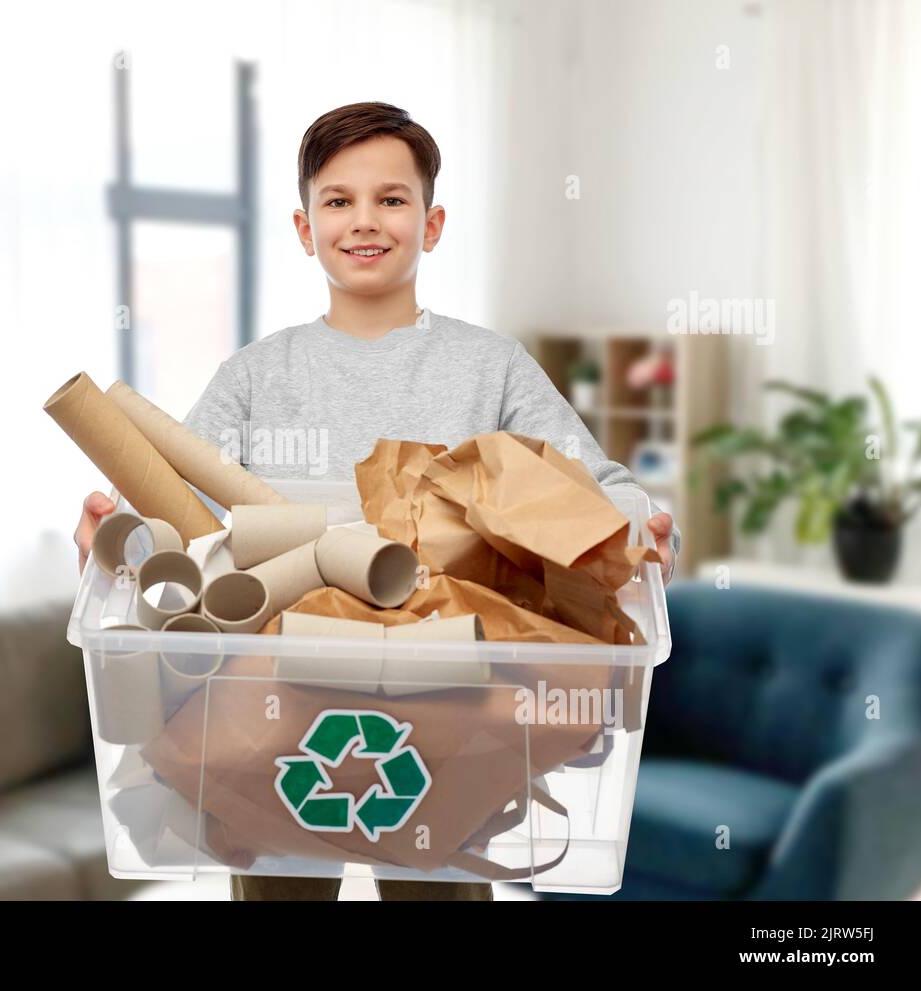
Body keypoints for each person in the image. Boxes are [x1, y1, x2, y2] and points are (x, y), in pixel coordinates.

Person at [74, 102, 679, 902]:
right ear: (304, 228)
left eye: (392, 199)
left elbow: (592, 483)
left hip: (451, 695)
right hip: (275, 699)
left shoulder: (490, 367)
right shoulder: (256, 375)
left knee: (439, 885)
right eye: (338, 200)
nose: (364, 220)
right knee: (278, 883)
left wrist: (640, 532)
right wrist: (115, 540)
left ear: (432, 224)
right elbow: (171, 515)